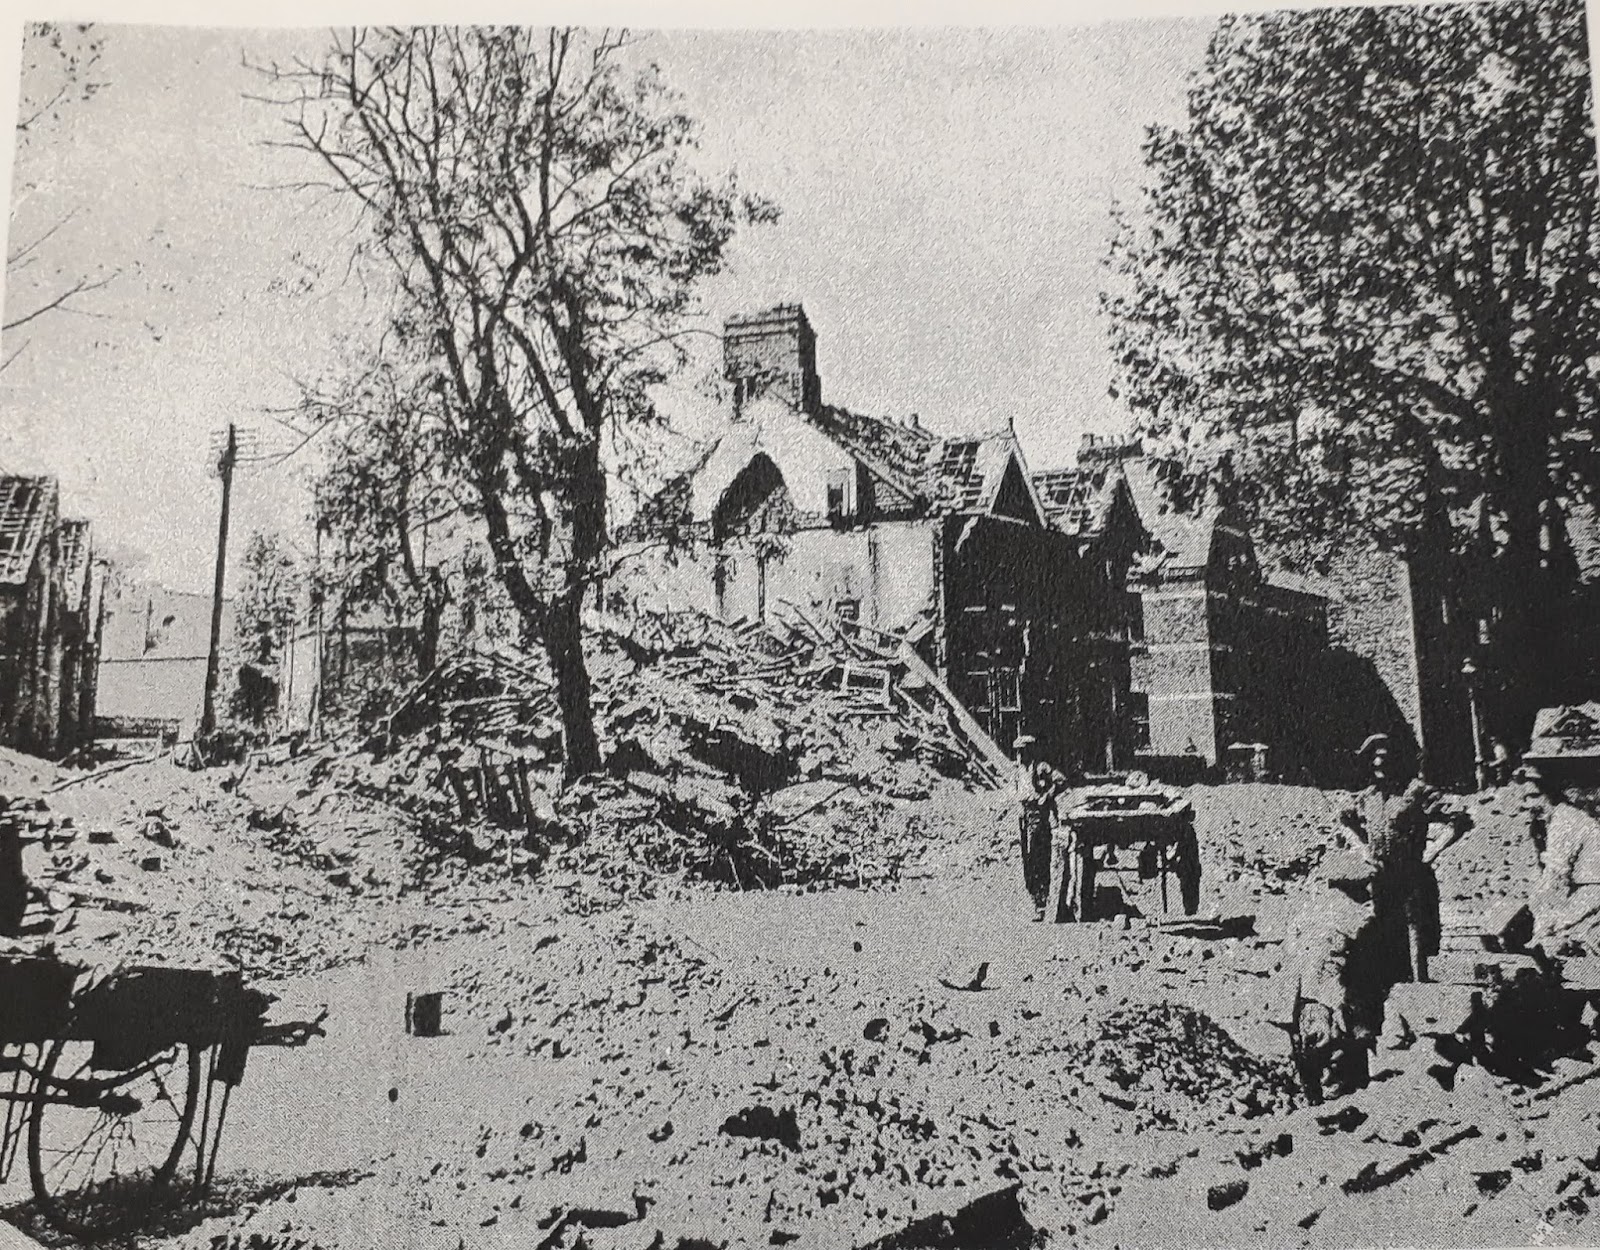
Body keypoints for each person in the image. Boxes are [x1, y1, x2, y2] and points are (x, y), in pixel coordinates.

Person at [1337, 733, 1472, 983]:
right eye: (1374, 759)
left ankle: (1423, 1002)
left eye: (1384, 759)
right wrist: (1363, 849)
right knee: (1386, 950)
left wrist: (1431, 853)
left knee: (1418, 951)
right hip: (1381, 884)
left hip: (1413, 883)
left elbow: (1461, 818)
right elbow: (1344, 821)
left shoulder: (1415, 792)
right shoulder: (1368, 798)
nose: (1378, 765)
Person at [1287, 850, 1392, 1104]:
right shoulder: (1359, 919)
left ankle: (1319, 1089)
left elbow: (1293, 949)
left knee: (1315, 1042)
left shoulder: (1307, 914)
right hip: (1335, 999)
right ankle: (1343, 1084)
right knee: (1346, 1036)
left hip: (1312, 999)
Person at [1524, 765, 1600, 950]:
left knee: (1551, 937)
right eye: (1525, 799)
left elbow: (1556, 875)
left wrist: (1541, 920)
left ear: (1549, 795)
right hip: (1581, 890)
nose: (1529, 805)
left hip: (1593, 890)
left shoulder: (1565, 821)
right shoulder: (1548, 822)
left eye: (1535, 797)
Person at [1014, 734, 1071, 921]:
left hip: (1040, 816)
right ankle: (1035, 900)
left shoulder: (1041, 767)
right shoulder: (1019, 770)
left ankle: (1042, 902)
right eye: (1018, 751)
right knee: (1028, 860)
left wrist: (1047, 796)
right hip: (1025, 815)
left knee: (1039, 858)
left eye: (1023, 751)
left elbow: (1061, 781)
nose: (1020, 755)